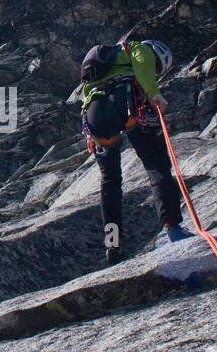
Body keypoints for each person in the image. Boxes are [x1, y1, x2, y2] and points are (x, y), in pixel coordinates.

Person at [80, 38, 191, 265]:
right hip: (127, 100)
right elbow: (142, 64)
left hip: (94, 112)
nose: (156, 71)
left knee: (110, 181)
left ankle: (113, 243)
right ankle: (173, 227)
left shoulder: (100, 66)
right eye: (158, 67)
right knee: (156, 164)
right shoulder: (137, 48)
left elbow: (85, 94)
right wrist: (152, 92)